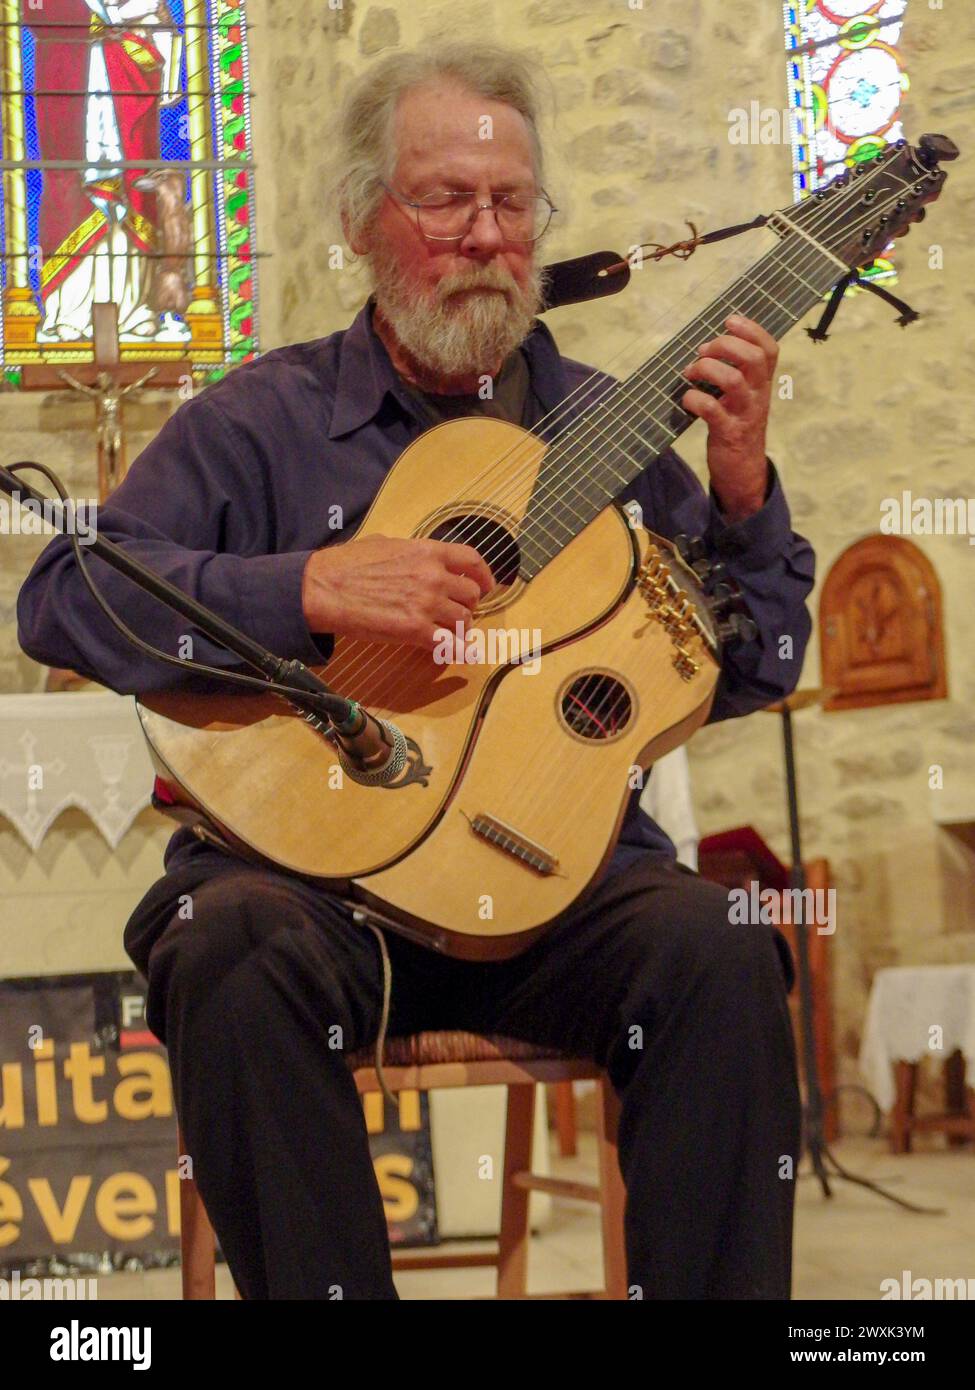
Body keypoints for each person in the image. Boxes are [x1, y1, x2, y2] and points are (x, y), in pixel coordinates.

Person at [18, 41, 815, 1300]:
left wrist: (742, 491)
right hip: (310, 886)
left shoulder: (602, 431)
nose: (485, 235)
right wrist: (307, 588)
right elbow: (63, 597)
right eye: (446, 198)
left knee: (721, 943)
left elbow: (762, 665)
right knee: (221, 943)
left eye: (511, 204)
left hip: (553, 888)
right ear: (362, 221)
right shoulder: (259, 422)